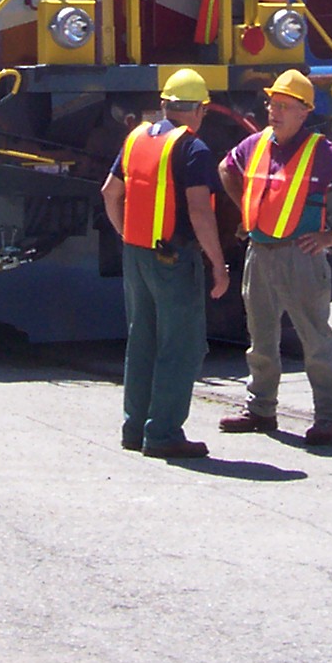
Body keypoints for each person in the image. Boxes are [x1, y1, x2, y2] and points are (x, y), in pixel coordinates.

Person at [216, 69, 332, 446]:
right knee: (260, 337)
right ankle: (261, 410)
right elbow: (226, 169)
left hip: (299, 257)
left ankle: (327, 419)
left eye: (285, 106)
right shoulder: (255, 144)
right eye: (273, 103)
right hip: (260, 252)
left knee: (315, 338)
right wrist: (248, 214)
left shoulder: (319, 151)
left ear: (305, 113)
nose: (275, 111)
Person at [100, 67, 230, 458]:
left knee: (142, 340)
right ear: (201, 110)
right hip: (172, 259)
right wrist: (218, 265)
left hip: (136, 255)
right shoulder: (192, 148)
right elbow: (200, 212)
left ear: (164, 105)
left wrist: (126, 234)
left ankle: (134, 428)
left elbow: (110, 192)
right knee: (181, 346)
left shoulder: (136, 137)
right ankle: (164, 434)